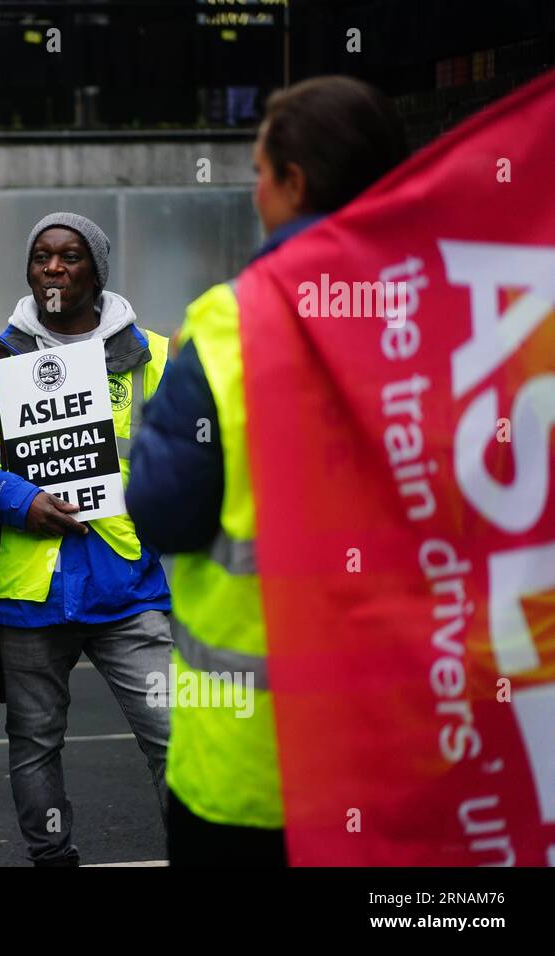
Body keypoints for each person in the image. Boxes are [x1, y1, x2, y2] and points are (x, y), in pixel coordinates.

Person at [127, 76, 408, 867]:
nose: (253, 193)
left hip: (256, 770)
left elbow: (162, 511)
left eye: (258, 172)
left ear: (295, 182)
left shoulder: (228, 323)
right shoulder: (465, 314)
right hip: (421, 747)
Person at [0, 212, 173, 867]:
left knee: (175, 735)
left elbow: (191, 460)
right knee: (35, 742)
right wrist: (22, 501)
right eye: (42, 256)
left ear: (97, 269)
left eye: (71, 256)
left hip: (129, 583)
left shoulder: (156, 356)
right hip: (30, 591)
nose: (54, 267)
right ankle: (52, 859)